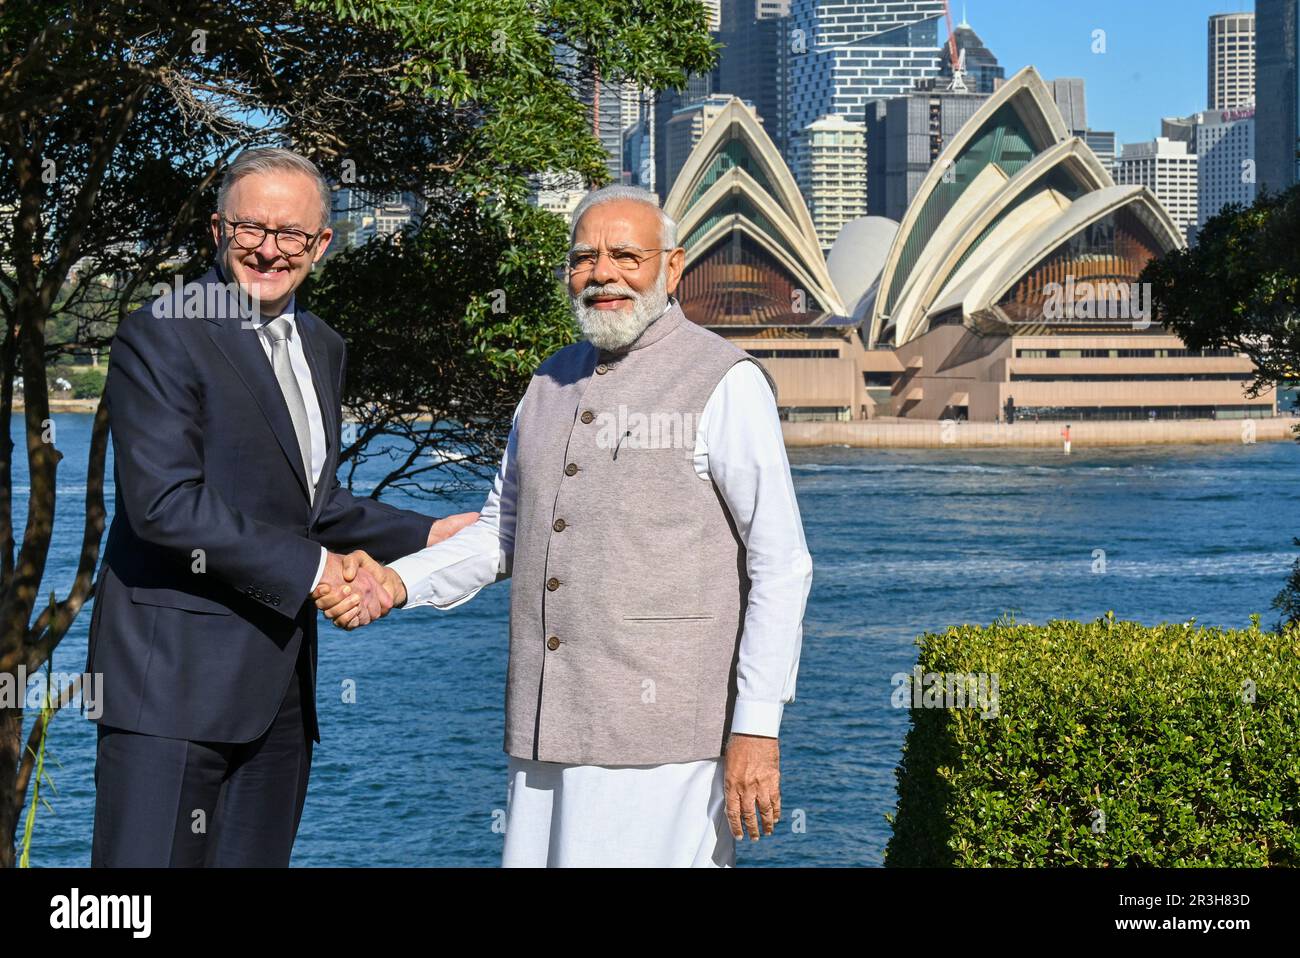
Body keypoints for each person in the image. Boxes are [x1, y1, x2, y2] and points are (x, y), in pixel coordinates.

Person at [317, 185, 812, 867]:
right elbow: (502, 533)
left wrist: (757, 728)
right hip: (543, 732)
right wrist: (392, 585)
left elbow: (780, 565)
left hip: (666, 746)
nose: (602, 273)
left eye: (625, 256)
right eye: (584, 258)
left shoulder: (726, 382)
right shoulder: (546, 384)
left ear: (672, 268)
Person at [87, 147, 476, 867]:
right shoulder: (163, 329)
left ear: (321, 244)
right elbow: (166, 505)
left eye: (291, 234)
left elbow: (312, 504)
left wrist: (431, 532)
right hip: (169, 693)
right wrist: (319, 572)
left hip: (279, 700)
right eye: (250, 229)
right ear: (216, 230)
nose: (269, 249)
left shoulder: (322, 345)